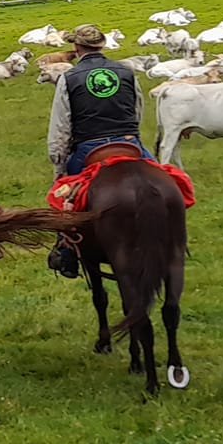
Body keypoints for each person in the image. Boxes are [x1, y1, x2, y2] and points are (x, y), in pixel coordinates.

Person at [45, 23, 149, 277]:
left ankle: (67, 253)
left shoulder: (69, 77)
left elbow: (61, 123)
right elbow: (137, 109)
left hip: (89, 147)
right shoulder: (125, 71)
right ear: (101, 45)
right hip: (129, 142)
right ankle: (174, 238)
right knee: (167, 182)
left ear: (75, 47)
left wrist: (59, 165)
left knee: (64, 201)